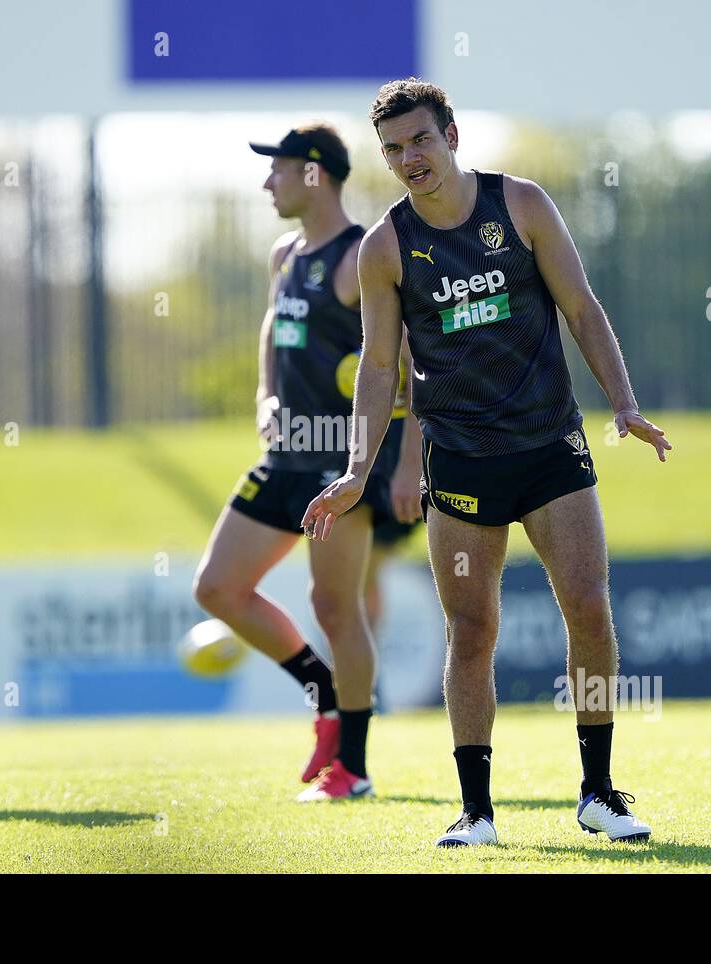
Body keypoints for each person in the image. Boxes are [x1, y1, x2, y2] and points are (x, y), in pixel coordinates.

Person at [303, 79, 672, 845]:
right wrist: (357, 468)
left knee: (589, 606)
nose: (411, 158)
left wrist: (624, 403)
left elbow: (582, 308)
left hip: (549, 446)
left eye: (421, 141)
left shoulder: (523, 205)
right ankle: (476, 812)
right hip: (462, 462)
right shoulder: (385, 247)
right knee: (471, 631)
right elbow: (378, 369)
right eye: (395, 149)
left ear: (452, 136)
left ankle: (599, 793)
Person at [193, 124, 422, 802]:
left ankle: (352, 765)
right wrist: (265, 394)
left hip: (339, 466)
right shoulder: (284, 254)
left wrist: (408, 464)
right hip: (283, 455)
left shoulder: (359, 259)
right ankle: (322, 691)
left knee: (335, 606)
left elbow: (408, 365)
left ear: (316, 174)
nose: (268, 183)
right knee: (216, 588)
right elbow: (272, 328)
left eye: (280, 171)